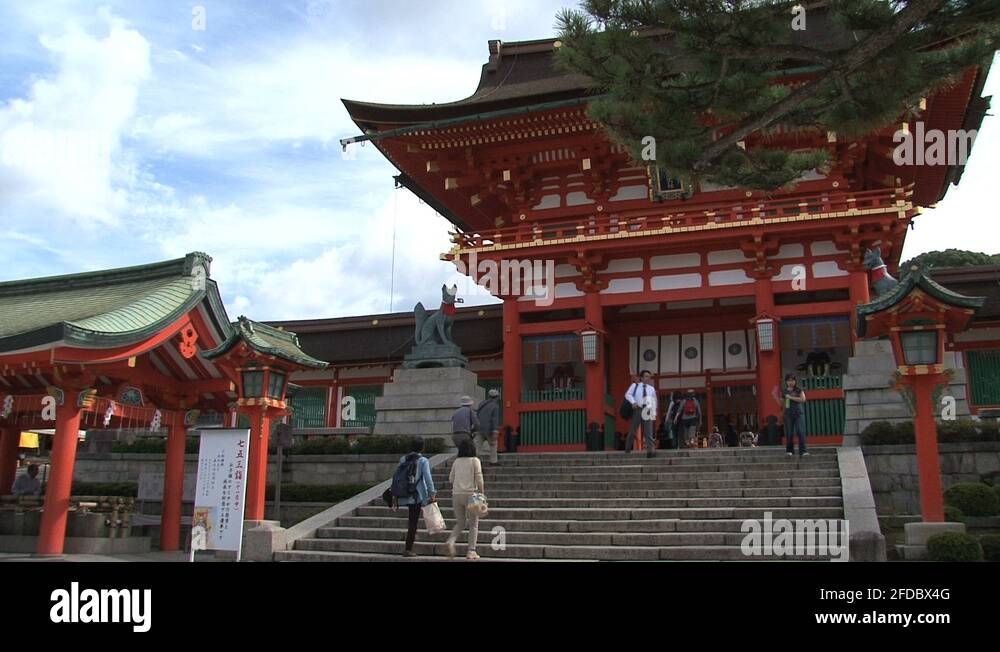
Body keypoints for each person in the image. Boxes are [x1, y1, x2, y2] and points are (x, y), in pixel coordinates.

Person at [396, 438, 437, 557]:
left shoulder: (403, 459)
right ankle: (408, 548)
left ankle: (413, 535)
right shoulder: (423, 460)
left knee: (412, 519)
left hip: (405, 493)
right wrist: (432, 492)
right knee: (413, 521)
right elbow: (428, 478)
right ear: (422, 447)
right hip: (417, 495)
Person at [445, 438, 485, 560]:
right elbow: (479, 478)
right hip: (471, 494)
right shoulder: (475, 460)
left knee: (461, 522)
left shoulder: (457, 461)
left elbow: (451, 478)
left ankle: (451, 541)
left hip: (456, 495)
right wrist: (482, 494)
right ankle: (471, 551)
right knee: (473, 524)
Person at [625, 370, 658, 458]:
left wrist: (654, 411)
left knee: (648, 432)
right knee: (633, 430)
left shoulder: (651, 388)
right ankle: (628, 448)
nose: (648, 378)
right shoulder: (635, 386)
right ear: (642, 377)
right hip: (638, 409)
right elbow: (628, 394)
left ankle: (651, 451)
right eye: (646, 376)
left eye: (649, 377)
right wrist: (633, 402)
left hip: (647, 409)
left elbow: (654, 400)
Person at [776, 374, 809, 457]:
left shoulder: (798, 390)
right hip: (788, 414)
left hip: (798, 413)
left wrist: (790, 397)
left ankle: (803, 451)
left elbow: (803, 399)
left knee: (800, 431)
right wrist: (779, 399)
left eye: (792, 380)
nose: (791, 382)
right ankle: (790, 450)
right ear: (786, 382)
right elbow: (784, 404)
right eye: (789, 380)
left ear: (795, 381)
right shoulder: (784, 391)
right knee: (789, 433)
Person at [475, 389, 501, 466]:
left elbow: (477, 415)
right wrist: (495, 430)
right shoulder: (495, 406)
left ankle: (473, 461)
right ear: (496, 397)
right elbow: (494, 419)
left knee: (477, 446)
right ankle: (493, 461)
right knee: (493, 444)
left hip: (479, 428)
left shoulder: (481, 404)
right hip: (489, 429)